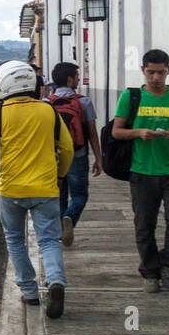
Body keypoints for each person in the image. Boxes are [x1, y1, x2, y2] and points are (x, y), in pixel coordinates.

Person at [0, 60, 73, 318]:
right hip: (46, 188)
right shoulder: (48, 110)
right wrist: (61, 175)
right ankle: (55, 281)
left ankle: (29, 292)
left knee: (15, 239)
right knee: (49, 240)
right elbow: (67, 148)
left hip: (11, 189)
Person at [110, 49, 169, 292]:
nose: (155, 77)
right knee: (144, 224)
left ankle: (168, 262)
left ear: (168, 71)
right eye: (151, 72)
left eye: (160, 72)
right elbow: (116, 132)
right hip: (142, 171)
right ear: (143, 70)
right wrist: (139, 133)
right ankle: (150, 271)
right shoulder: (130, 98)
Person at [49, 62, 103, 246]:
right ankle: (70, 218)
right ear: (70, 79)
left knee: (60, 195)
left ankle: (61, 230)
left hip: (54, 158)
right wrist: (98, 157)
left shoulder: (47, 103)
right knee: (80, 195)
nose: (79, 80)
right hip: (78, 156)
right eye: (77, 77)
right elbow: (92, 133)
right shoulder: (84, 101)